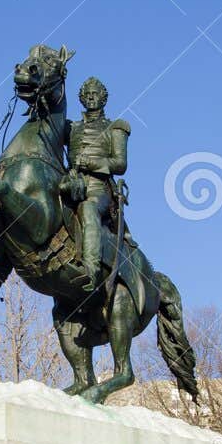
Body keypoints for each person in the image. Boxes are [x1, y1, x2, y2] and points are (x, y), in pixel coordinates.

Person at [62, 76, 129, 292]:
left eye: (96, 93)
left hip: (98, 190)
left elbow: (120, 164)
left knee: (89, 209)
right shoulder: (71, 128)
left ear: (104, 98)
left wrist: (89, 163)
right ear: (81, 97)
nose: (91, 97)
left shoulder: (115, 127)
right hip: (71, 185)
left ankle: (89, 271)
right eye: (87, 93)